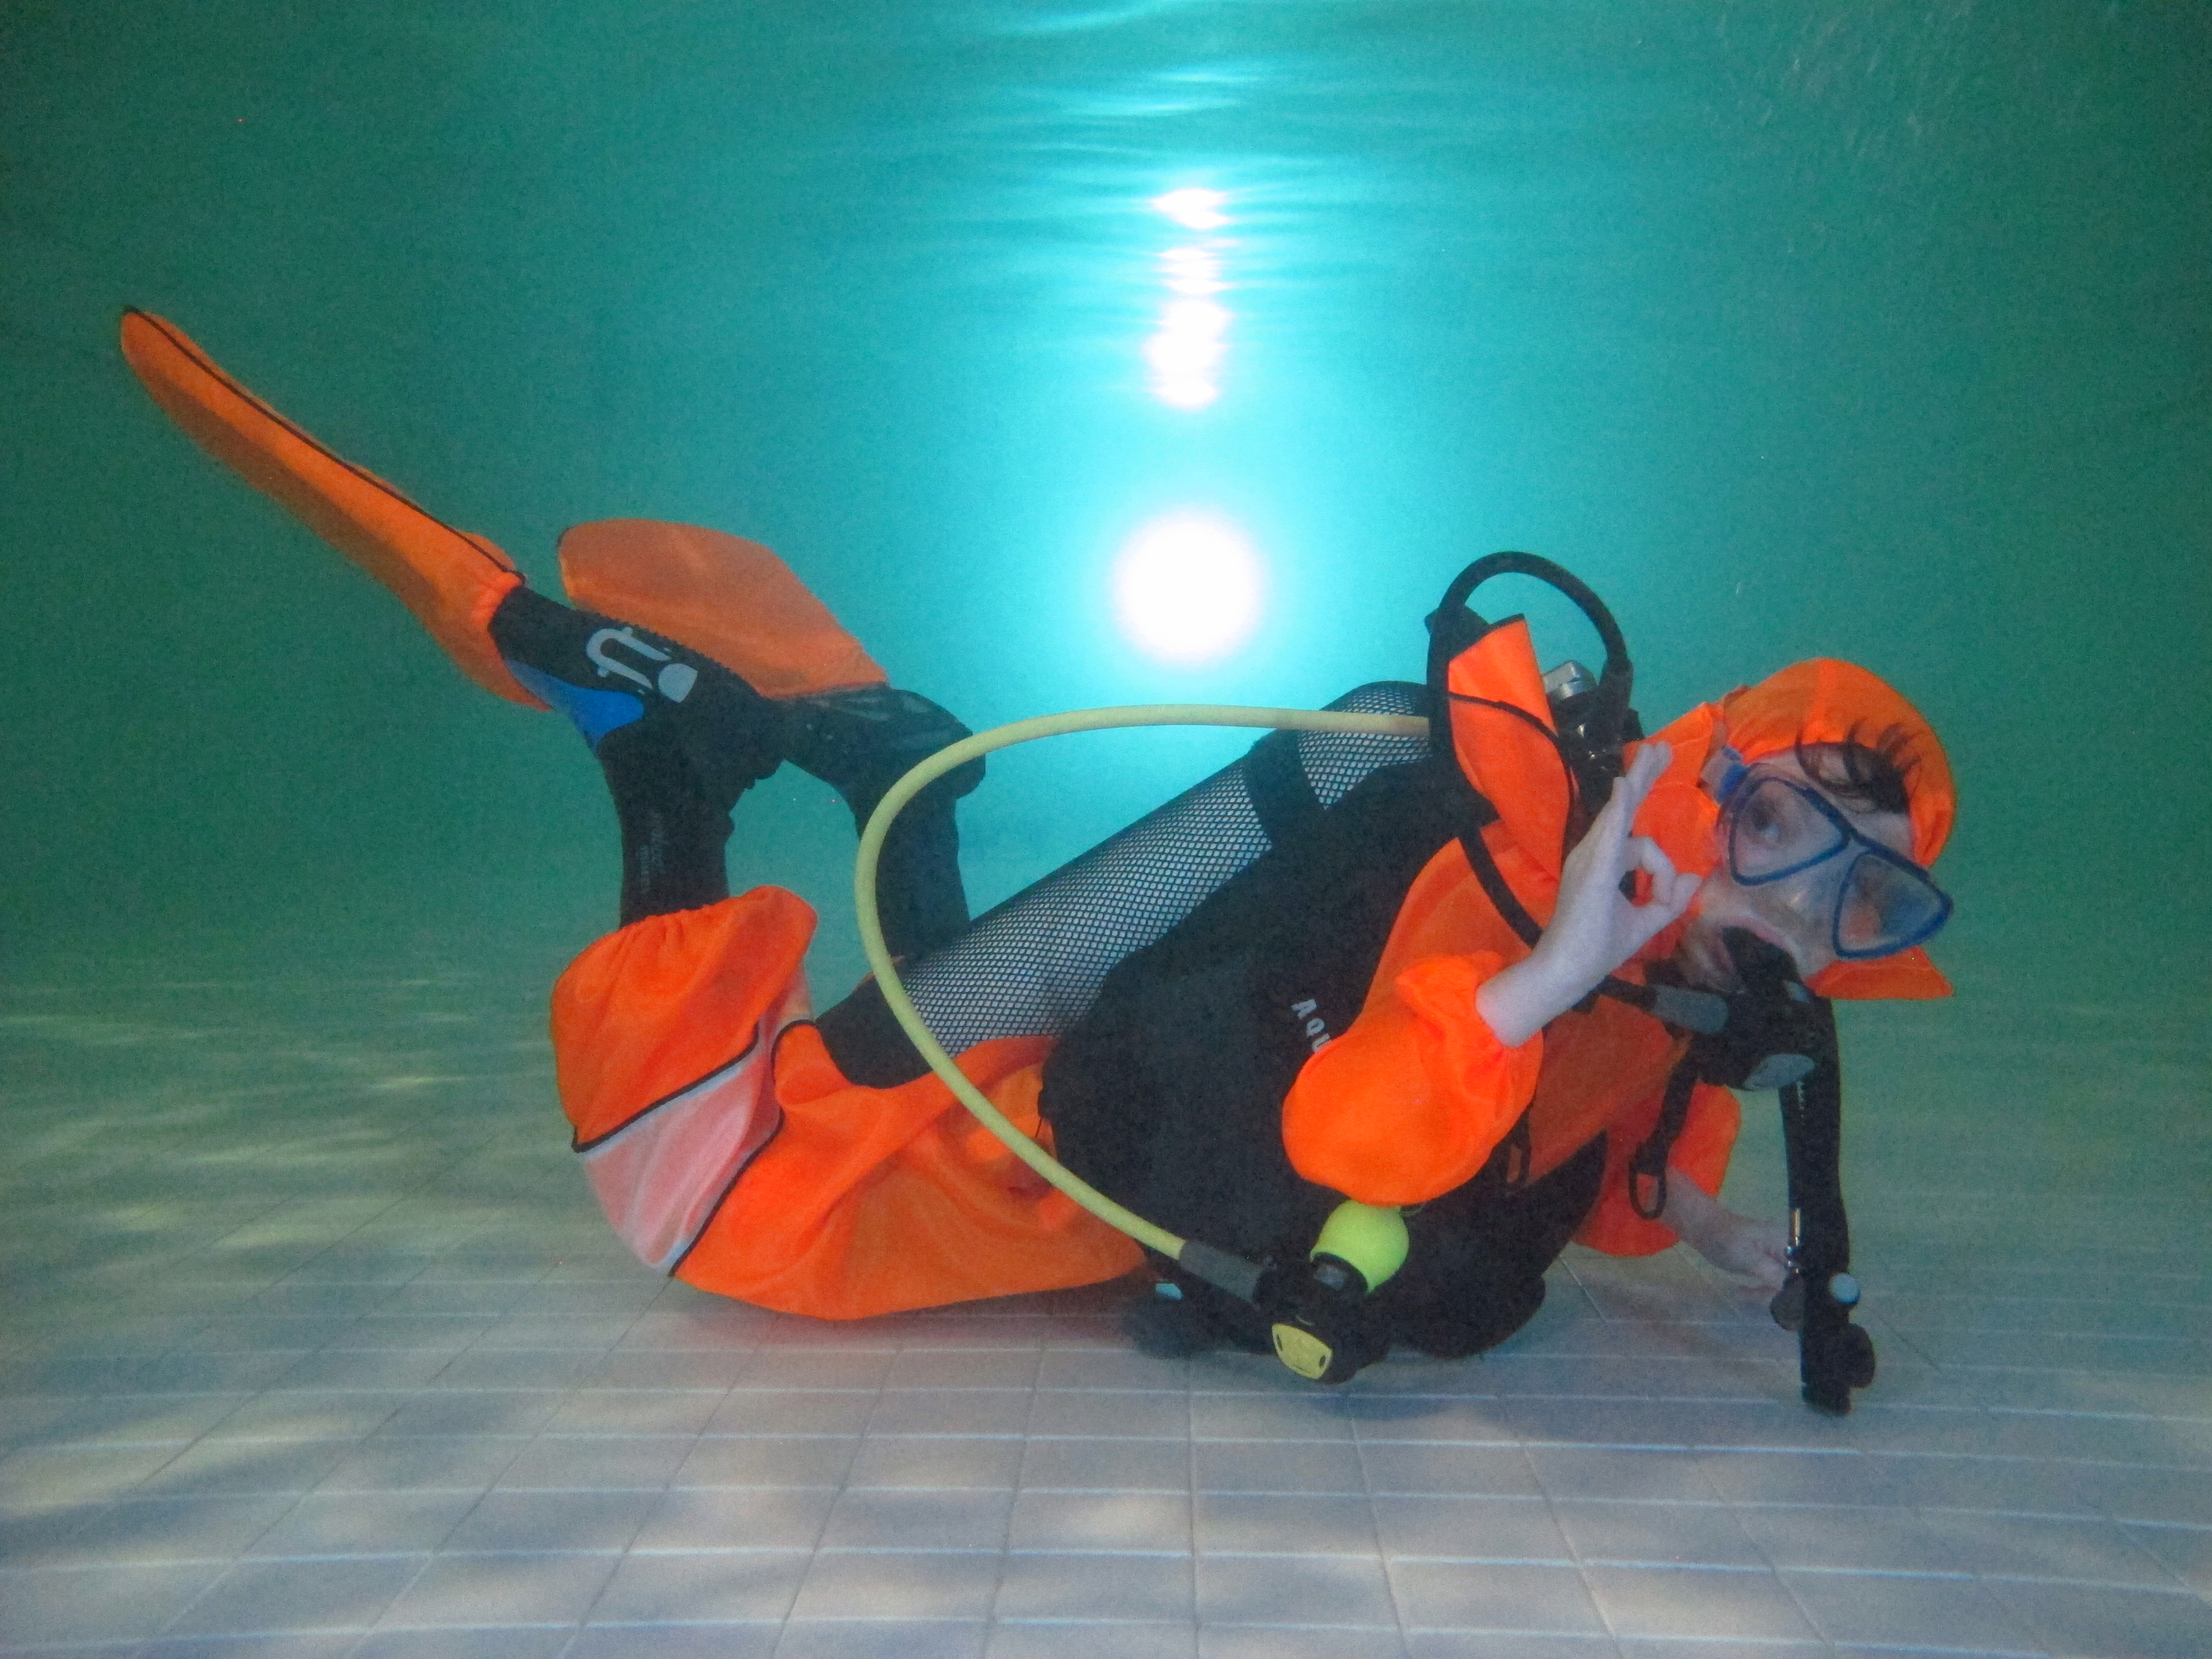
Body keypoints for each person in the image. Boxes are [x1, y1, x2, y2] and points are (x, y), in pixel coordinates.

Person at [121, 310, 1956, 1373]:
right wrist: (1550, 969)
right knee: (708, 1206)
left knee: (915, 1065)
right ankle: (663, 760)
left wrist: (1720, 1230)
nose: (1797, 917)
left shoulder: (1657, 966)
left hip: (1085, 1093)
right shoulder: (1534, 884)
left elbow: (1586, 1162)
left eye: (1863, 897)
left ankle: (889, 771)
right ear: (1700, 780)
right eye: (1777, 828)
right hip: (1083, 1164)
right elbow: (1361, 1132)